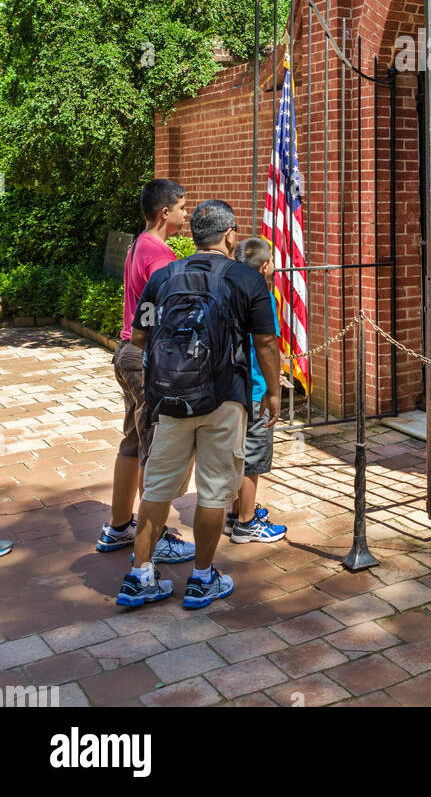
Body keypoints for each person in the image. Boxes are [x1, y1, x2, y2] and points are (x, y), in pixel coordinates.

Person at [116, 199, 280, 609]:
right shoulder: (247, 278)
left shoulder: (164, 276)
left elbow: (139, 336)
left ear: (193, 236)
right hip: (224, 399)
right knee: (211, 490)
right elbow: (265, 342)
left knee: (157, 489)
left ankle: (139, 577)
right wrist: (274, 392)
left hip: (169, 399)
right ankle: (203, 579)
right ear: (229, 235)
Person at [96, 178, 195, 565]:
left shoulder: (140, 243)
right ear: (164, 212)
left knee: (133, 442)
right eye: (183, 207)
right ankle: (152, 539)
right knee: (157, 451)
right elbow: (168, 316)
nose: (186, 214)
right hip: (145, 358)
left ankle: (118, 527)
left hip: (126, 353)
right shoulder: (161, 255)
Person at [227, 238, 287, 544]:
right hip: (256, 387)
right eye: (274, 260)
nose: (276, 265)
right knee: (253, 457)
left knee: (236, 452)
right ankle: (246, 523)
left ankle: (234, 511)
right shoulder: (263, 296)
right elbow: (268, 344)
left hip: (232, 386)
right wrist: (273, 388)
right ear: (264, 267)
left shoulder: (229, 290)